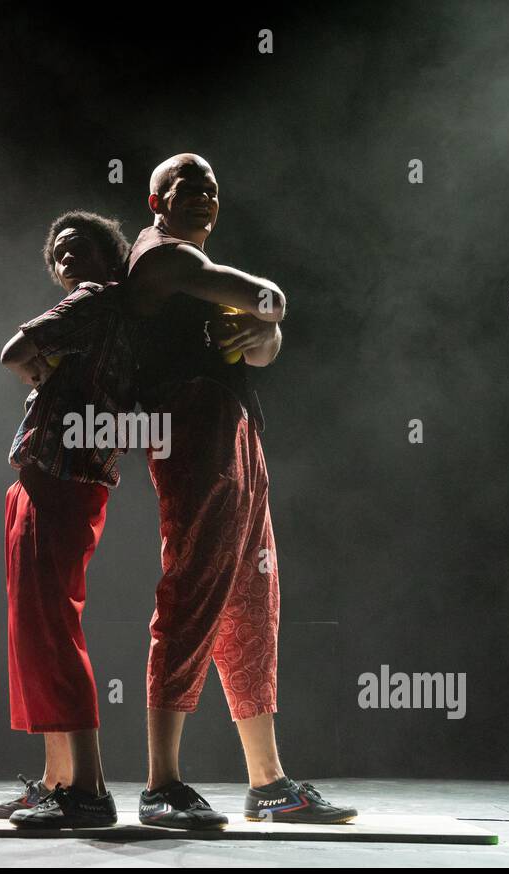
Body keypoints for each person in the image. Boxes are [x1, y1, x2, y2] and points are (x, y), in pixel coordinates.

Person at [124, 153, 357, 828]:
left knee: (252, 606)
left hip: (237, 430)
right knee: (193, 591)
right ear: (155, 198)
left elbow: (263, 343)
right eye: (187, 185)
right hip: (193, 431)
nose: (202, 195)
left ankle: (269, 783)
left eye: (211, 188)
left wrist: (266, 330)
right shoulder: (162, 259)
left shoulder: (196, 276)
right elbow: (264, 297)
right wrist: (269, 311)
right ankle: (160, 783)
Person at [0, 210, 135, 828]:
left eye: (82, 246)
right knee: (35, 630)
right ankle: (55, 781)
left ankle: (90, 791)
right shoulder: (107, 314)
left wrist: (39, 372)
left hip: (64, 479)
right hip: (48, 479)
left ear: (108, 259)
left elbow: (13, 352)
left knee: (52, 626)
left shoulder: (95, 300)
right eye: (60, 252)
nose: (69, 255)